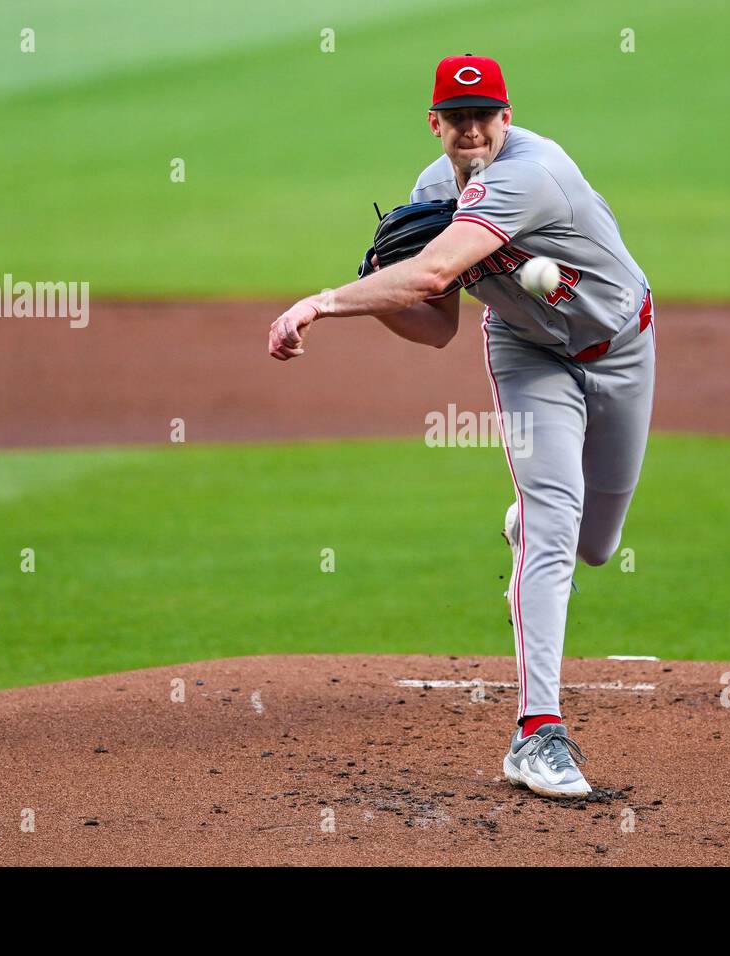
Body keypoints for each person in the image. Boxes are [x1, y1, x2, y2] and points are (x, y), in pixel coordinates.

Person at [269, 54, 655, 798]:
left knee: (598, 545)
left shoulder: (529, 172)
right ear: (436, 123)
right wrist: (377, 292)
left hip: (623, 350)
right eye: (458, 116)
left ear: (506, 118)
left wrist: (324, 300)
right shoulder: (430, 188)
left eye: (486, 115)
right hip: (527, 354)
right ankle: (537, 733)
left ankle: (539, 518)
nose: (472, 129)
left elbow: (429, 274)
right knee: (554, 521)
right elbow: (435, 325)